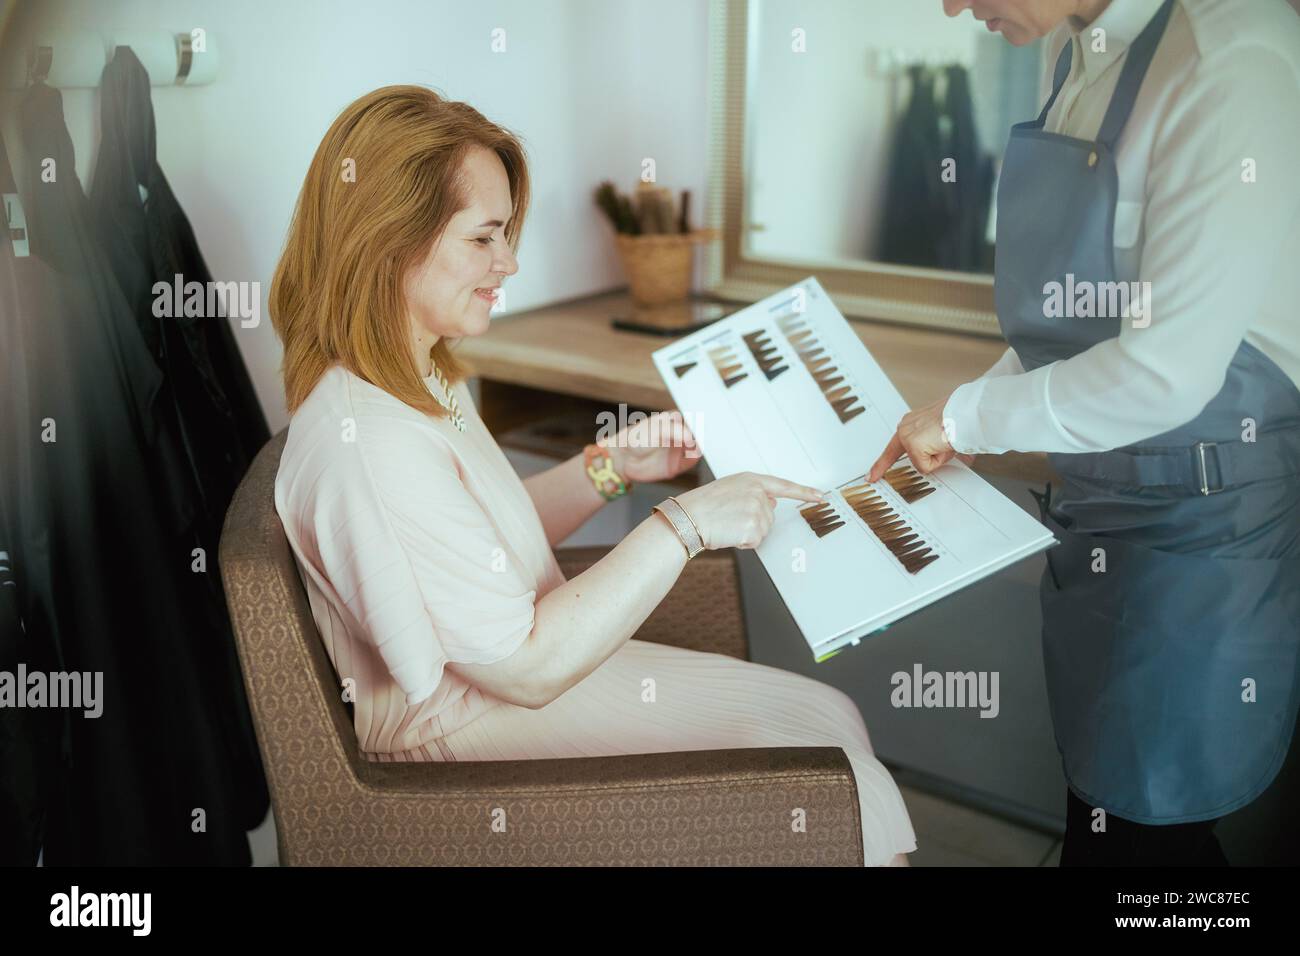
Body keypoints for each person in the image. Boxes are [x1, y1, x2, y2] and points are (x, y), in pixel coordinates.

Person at [269, 86, 916, 866]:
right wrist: (686, 523)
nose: (509, 262)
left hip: (495, 688)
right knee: (851, 783)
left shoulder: (417, 376)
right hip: (464, 735)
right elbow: (527, 670)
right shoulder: (369, 445)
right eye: (485, 238)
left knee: (832, 713)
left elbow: (477, 550)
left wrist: (612, 467)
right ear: (388, 243)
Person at [870, 0, 1300, 865]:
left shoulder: (1233, 62)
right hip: (1109, 506)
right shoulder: (1082, 59)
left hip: (1201, 526)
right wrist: (962, 410)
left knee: (1151, 839)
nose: (951, 4)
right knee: (1103, 809)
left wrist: (966, 417)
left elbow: (1162, 371)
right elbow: (1069, 327)